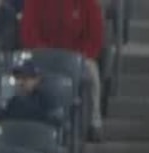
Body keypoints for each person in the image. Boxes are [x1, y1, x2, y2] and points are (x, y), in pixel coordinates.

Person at [18, 0, 105, 139]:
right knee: (23, 74)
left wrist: (75, 58)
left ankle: (95, 122)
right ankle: (25, 123)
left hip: (77, 58)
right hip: (43, 57)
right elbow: (28, 32)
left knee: (92, 72)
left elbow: (95, 38)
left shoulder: (88, 3)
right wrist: (46, 54)